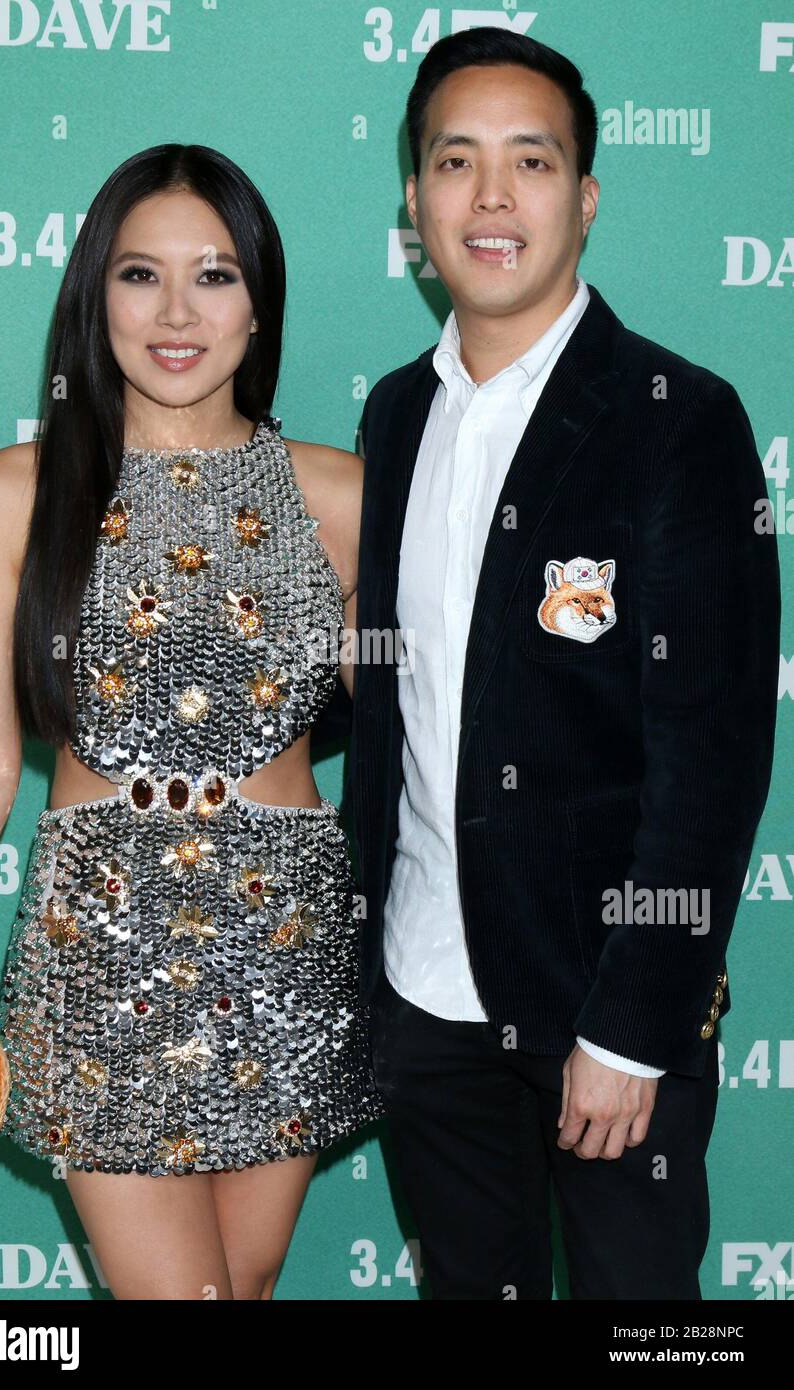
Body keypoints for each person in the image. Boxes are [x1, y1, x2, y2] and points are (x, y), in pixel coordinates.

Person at [349, 28, 780, 1299]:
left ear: (583, 196)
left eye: (528, 162)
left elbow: (710, 761)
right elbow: (398, 699)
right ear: (414, 198)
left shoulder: (677, 421)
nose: (490, 198)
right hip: (423, 1000)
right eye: (453, 161)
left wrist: (633, 1028)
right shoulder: (395, 413)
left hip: (602, 1008)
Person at [0, 143, 383, 1300]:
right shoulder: (10, 494)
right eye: (140, 275)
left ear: (258, 300)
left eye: (214, 275)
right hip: (101, 949)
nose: (176, 312)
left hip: (288, 941)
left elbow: (434, 738)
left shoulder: (344, 495)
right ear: (95, 294)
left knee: (246, 1281)